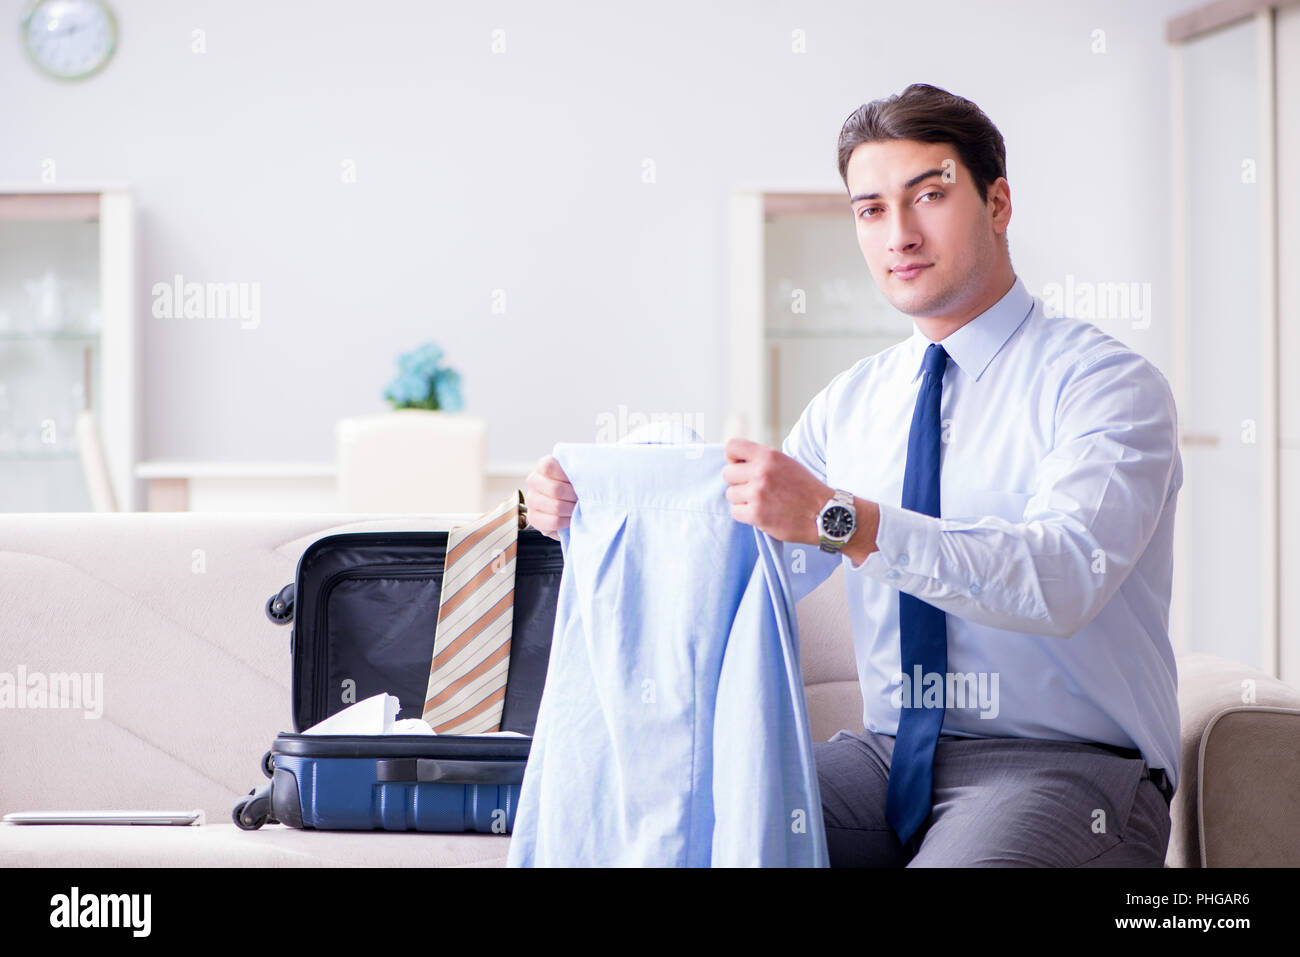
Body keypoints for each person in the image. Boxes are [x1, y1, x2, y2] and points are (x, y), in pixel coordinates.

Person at [523, 83, 1181, 867]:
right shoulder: (852, 403)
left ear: (998, 203)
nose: (899, 233)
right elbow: (758, 552)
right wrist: (600, 503)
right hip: (886, 755)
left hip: (1064, 768)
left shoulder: (1106, 386)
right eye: (870, 209)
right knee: (682, 829)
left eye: (928, 196)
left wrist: (847, 519)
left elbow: (1061, 576)